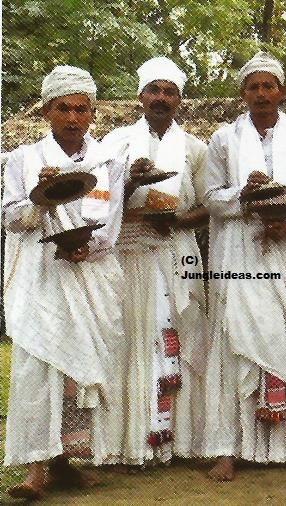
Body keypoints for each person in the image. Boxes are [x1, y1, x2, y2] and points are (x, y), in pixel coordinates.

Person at [201, 51, 286, 481]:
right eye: (253, 87)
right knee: (235, 342)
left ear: (282, 92)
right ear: (243, 93)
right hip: (240, 253)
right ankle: (229, 447)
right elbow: (210, 198)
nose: (261, 94)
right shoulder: (224, 140)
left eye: (268, 86)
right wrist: (244, 193)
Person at [2, 65, 125, 499]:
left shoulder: (108, 162)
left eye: (81, 109)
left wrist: (84, 249)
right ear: (47, 111)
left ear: (92, 113)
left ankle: (66, 462)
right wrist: (38, 199)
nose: (73, 117)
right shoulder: (22, 159)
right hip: (42, 279)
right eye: (63, 108)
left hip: (91, 275)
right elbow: (11, 219)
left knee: (79, 373)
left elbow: (111, 228)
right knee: (39, 370)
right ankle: (37, 468)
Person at [100, 56, 208, 468]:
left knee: (180, 333)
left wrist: (177, 219)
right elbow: (95, 201)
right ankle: (127, 444)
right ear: (141, 95)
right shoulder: (116, 143)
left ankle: (177, 441)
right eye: (154, 90)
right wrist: (129, 181)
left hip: (174, 251)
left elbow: (209, 206)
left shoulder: (196, 149)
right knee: (129, 340)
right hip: (128, 253)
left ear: (180, 99)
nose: (161, 98)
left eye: (170, 91)